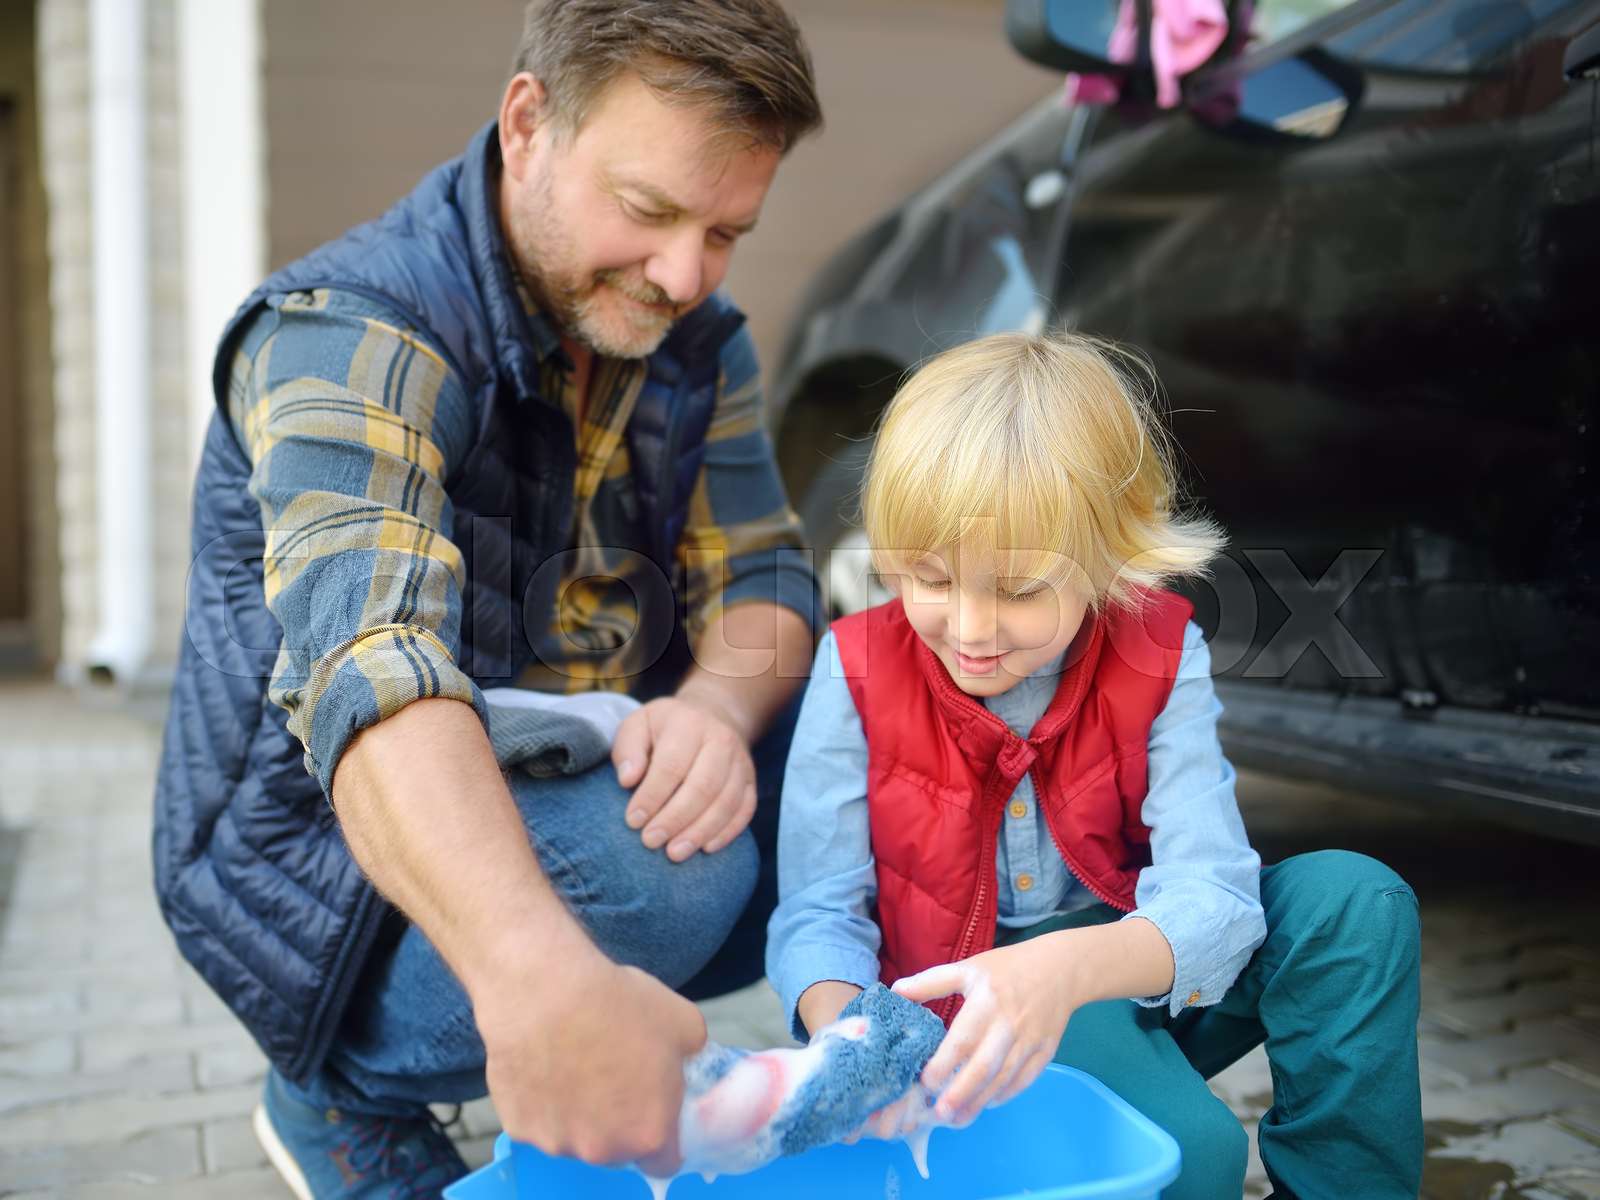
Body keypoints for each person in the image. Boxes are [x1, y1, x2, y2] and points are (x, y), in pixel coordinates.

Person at [151, 2, 823, 1195]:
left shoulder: (699, 339)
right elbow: (372, 656)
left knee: (888, 728)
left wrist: (715, 720)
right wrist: (537, 985)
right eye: (651, 211)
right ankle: (333, 1087)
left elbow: (766, 577)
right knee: (666, 873)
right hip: (317, 868)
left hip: (563, 756)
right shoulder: (348, 335)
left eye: (725, 231)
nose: (685, 273)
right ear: (528, 124)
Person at [765, 332, 1424, 1199]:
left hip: (1125, 966)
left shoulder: (1159, 649)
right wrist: (852, 1039)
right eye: (929, 579)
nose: (969, 627)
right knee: (1193, 1154)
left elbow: (1213, 890)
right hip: (961, 1018)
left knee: (1353, 902)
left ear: (1108, 561)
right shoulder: (854, 667)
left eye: (1019, 590)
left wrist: (1071, 968)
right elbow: (819, 908)